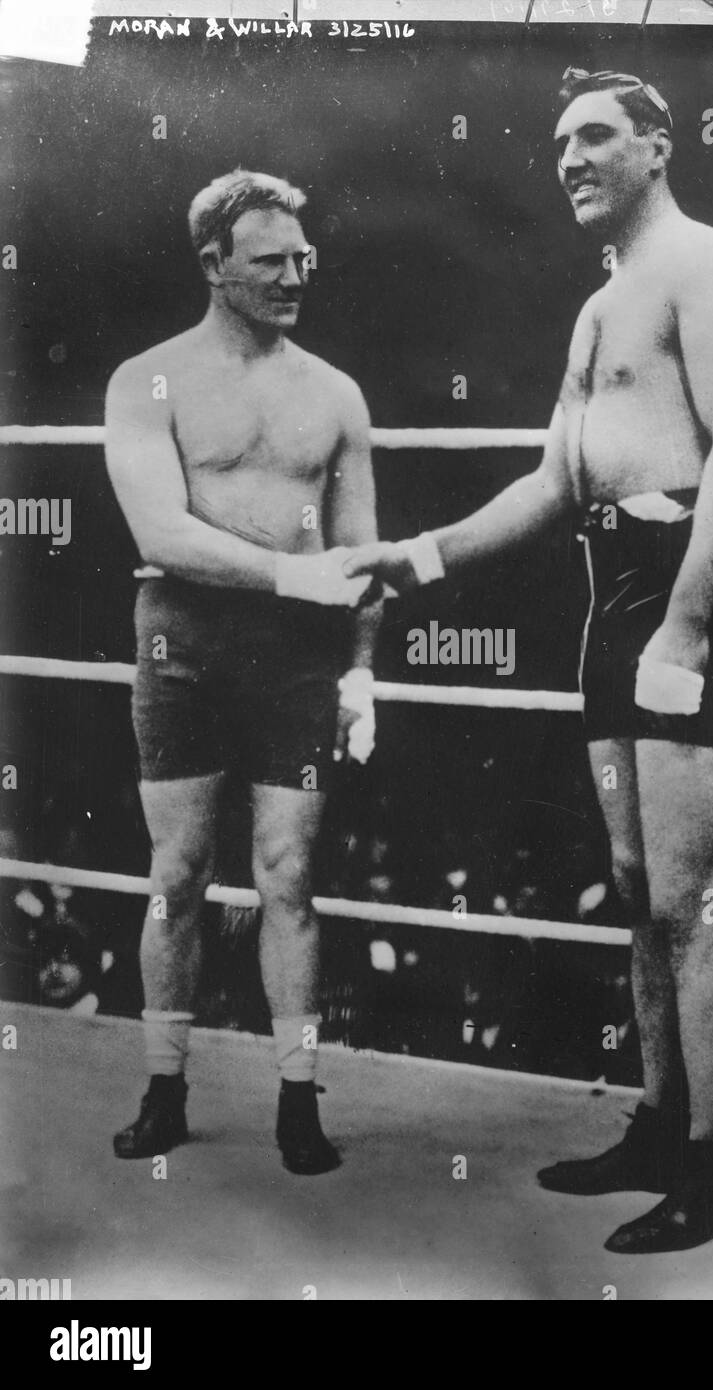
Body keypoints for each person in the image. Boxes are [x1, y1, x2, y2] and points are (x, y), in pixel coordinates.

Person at [345, 70, 713, 1250]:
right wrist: (423, 557)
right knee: (643, 888)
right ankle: (658, 1124)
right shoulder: (602, 304)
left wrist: (687, 625)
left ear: (659, 145)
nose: (569, 157)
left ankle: (711, 1172)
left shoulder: (711, 265)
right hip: (616, 592)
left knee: (692, 898)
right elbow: (552, 480)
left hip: (697, 582)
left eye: (595, 135)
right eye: (556, 143)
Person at [104, 170, 381, 1174]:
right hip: (183, 643)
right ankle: (165, 1084)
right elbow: (161, 531)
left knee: (289, 876)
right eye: (269, 260)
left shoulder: (335, 393)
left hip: (297, 659)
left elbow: (363, 555)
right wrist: (289, 573)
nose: (293, 275)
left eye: (303, 258)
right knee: (176, 873)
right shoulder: (148, 379)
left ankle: (298, 1098)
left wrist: (362, 673)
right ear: (214, 264)